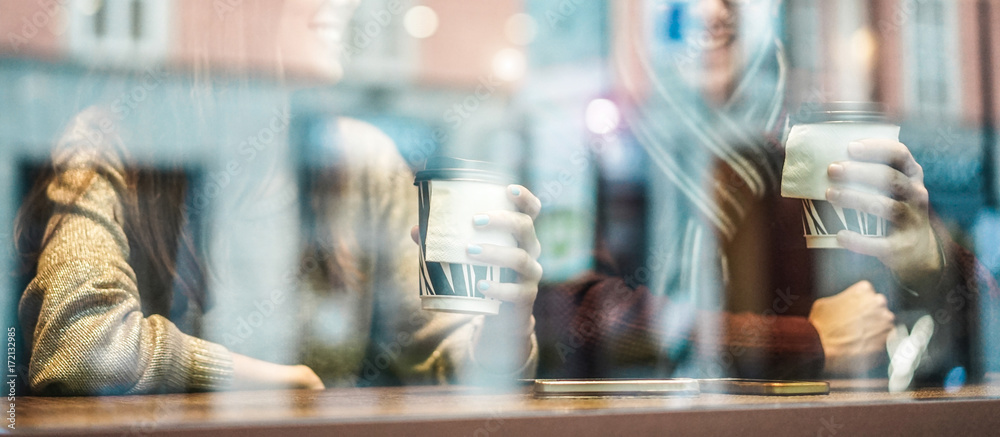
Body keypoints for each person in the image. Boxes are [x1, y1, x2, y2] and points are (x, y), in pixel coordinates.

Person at [15, 0, 541, 395]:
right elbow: (83, 347)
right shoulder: (123, 148)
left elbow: (446, 365)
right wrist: (266, 382)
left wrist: (504, 324)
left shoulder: (364, 161)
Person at [534, 0, 998, 382]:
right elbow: (573, 316)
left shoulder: (810, 153)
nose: (714, 11)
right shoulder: (618, 155)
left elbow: (969, 317)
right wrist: (805, 341)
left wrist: (926, 259)